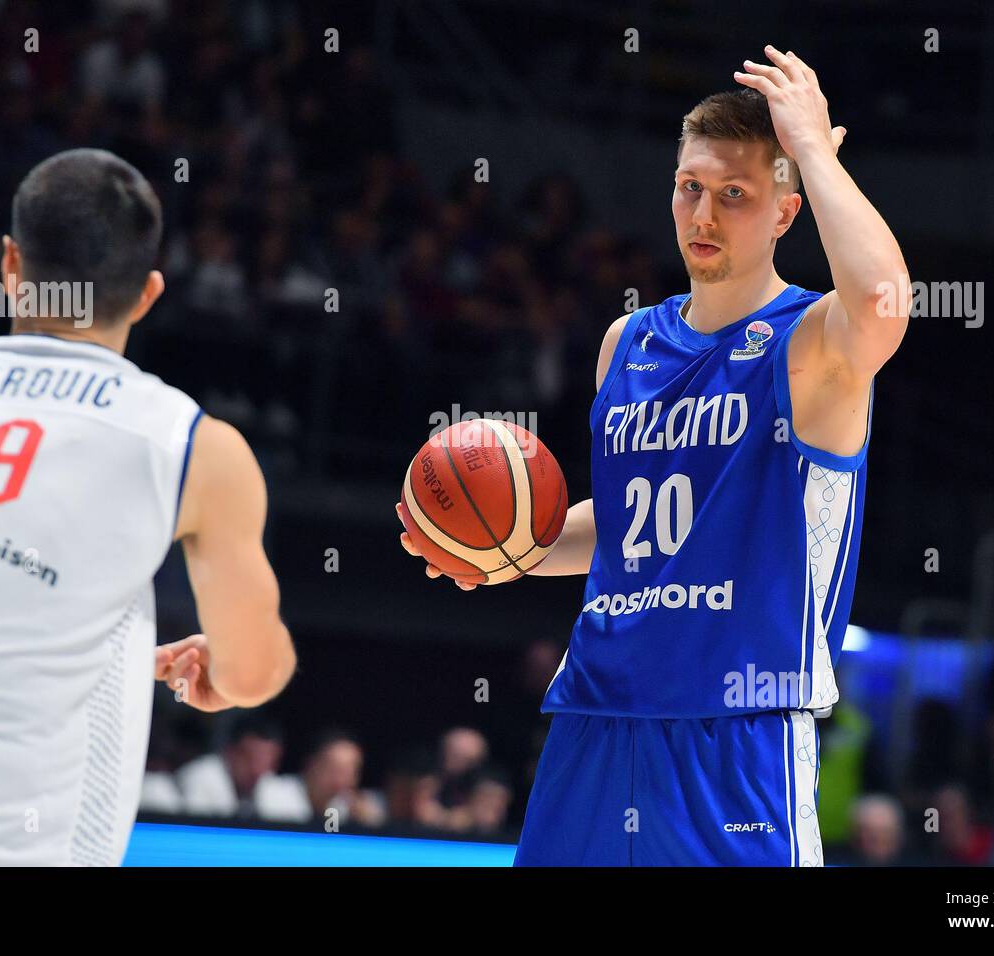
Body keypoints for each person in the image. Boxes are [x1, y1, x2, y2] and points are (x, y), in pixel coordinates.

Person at [400, 48, 909, 865]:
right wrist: (508, 555)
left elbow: (885, 302)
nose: (702, 215)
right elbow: (629, 520)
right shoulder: (625, 343)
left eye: (735, 195)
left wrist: (811, 150)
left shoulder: (812, 345)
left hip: (738, 729)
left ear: (785, 212)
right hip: (597, 711)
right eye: (690, 188)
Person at [0, 148, 296, 866]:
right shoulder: (190, 444)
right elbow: (253, 675)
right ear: (148, 294)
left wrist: (93, 651)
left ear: (9, 266)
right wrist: (222, 668)